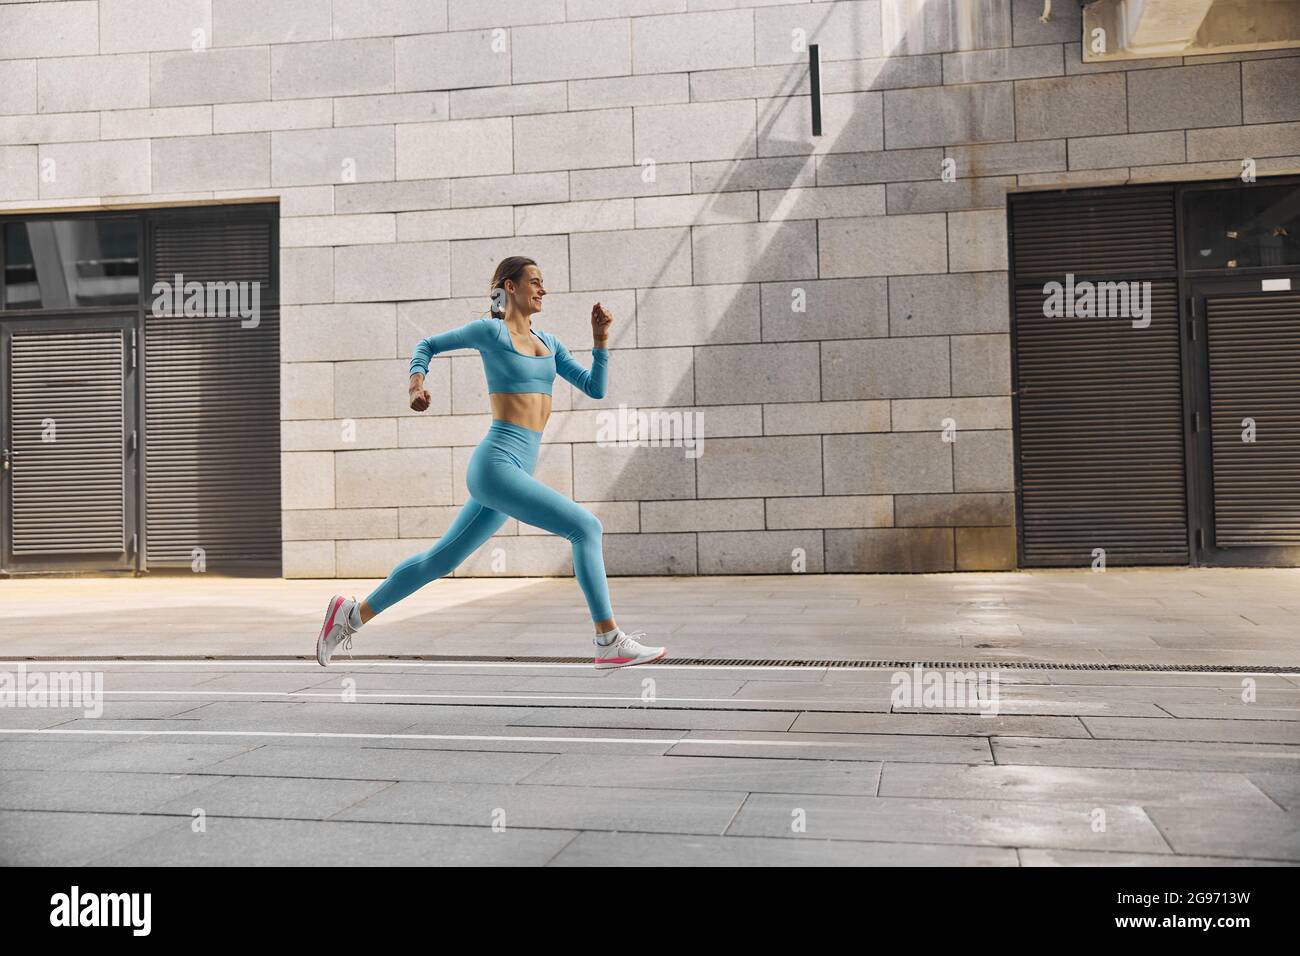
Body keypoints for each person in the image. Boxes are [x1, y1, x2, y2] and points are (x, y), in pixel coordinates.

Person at [315, 256, 666, 670]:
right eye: (535, 281)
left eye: (544, 282)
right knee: (586, 527)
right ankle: (608, 640)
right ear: (510, 287)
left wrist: (601, 337)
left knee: (441, 560)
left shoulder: (551, 345)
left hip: (513, 472)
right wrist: (415, 384)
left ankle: (350, 615)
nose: (543, 289)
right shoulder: (491, 332)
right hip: (495, 465)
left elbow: (595, 387)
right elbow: (427, 344)